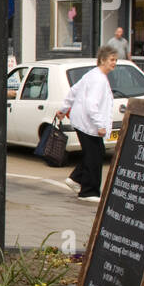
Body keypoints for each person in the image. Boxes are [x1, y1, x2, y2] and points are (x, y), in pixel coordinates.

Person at [55, 46, 117, 203]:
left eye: (115, 60)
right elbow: (91, 104)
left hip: (82, 122)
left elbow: (73, 91)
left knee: (95, 153)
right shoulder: (99, 79)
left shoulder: (92, 75)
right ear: (102, 60)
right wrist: (100, 125)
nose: (114, 63)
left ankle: (76, 179)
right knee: (94, 157)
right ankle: (89, 192)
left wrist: (63, 109)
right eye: (111, 59)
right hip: (89, 124)